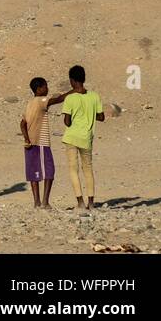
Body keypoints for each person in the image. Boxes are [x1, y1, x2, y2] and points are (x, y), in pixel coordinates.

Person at [20, 77, 69, 209]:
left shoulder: (29, 103)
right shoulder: (41, 100)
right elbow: (57, 100)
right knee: (49, 171)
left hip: (30, 143)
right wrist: (73, 91)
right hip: (41, 143)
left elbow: (22, 123)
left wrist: (26, 138)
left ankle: (36, 202)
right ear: (39, 89)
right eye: (45, 86)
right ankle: (45, 202)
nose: (47, 89)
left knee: (33, 173)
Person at [61, 65, 104, 211]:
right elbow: (101, 117)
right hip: (86, 138)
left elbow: (67, 121)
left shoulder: (70, 98)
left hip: (72, 137)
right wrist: (90, 114)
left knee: (73, 169)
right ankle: (91, 202)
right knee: (88, 169)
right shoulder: (94, 96)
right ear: (83, 78)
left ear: (72, 80)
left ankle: (80, 201)